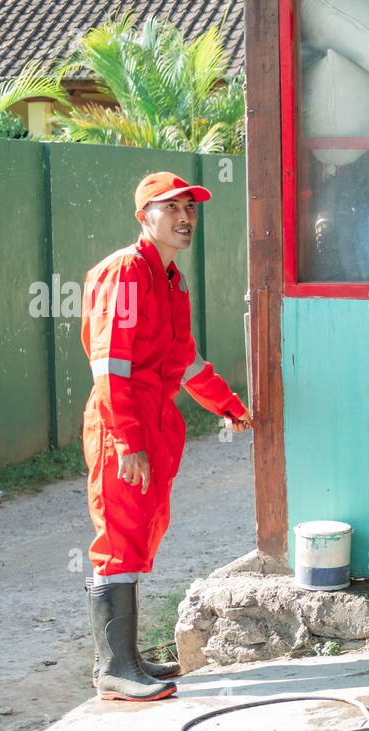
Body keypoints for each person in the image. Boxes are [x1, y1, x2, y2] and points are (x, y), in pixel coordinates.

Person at [80, 172, 253, 702]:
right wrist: (127, 439)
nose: (185, 218)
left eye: (191, 209)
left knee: (142, 534)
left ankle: (126, 658)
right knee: (121, 538)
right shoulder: (126, 273)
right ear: (144, 217)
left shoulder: (171, 281)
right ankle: (113, 668)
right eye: (170, 208)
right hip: (123, 427)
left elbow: (182, 361)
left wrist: (228, 404)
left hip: (155, 424)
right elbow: (109, 364)